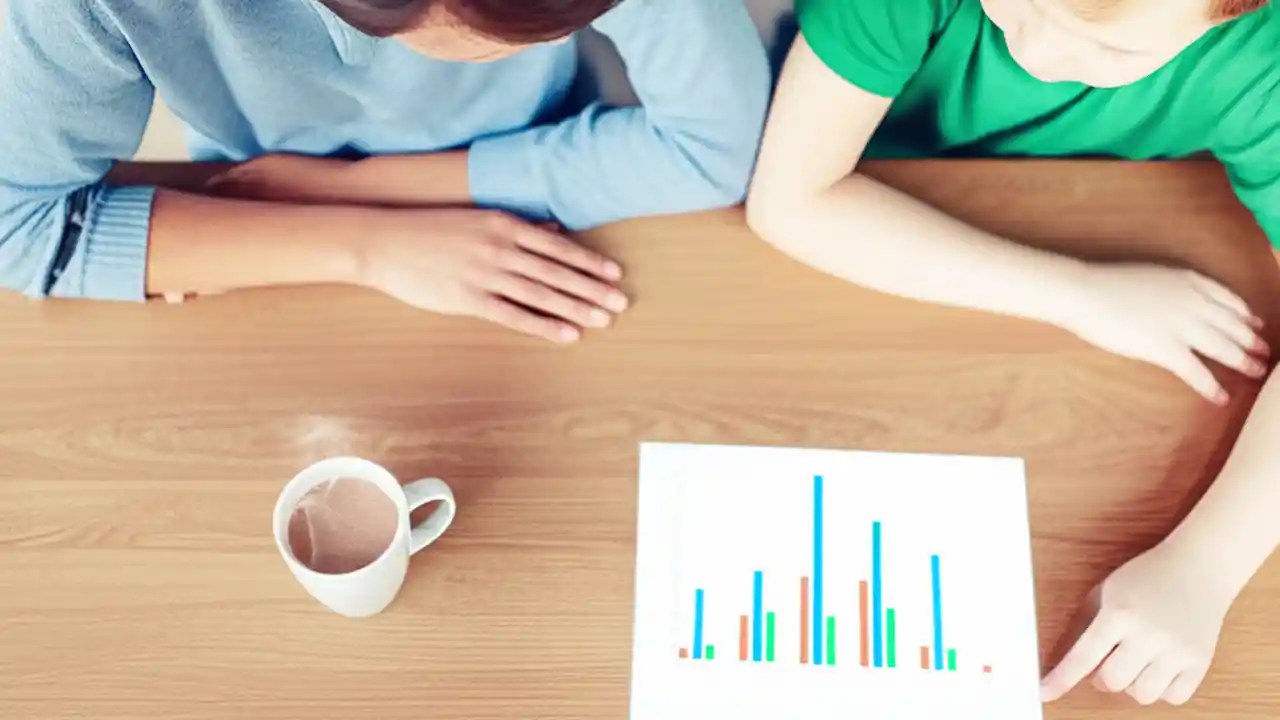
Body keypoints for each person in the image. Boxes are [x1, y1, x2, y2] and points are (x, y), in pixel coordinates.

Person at [746, 0, 1279, 707]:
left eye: (1107, 49)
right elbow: (790, 201)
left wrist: (1206, 565)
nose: (1037, 52)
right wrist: (1077, 293)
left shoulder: (1262, 54)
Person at [0, 0, 770, 344]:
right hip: (265, 219)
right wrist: (367, 246)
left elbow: (713, 148)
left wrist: (360, 184)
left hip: (288, 194)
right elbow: (18, 230)